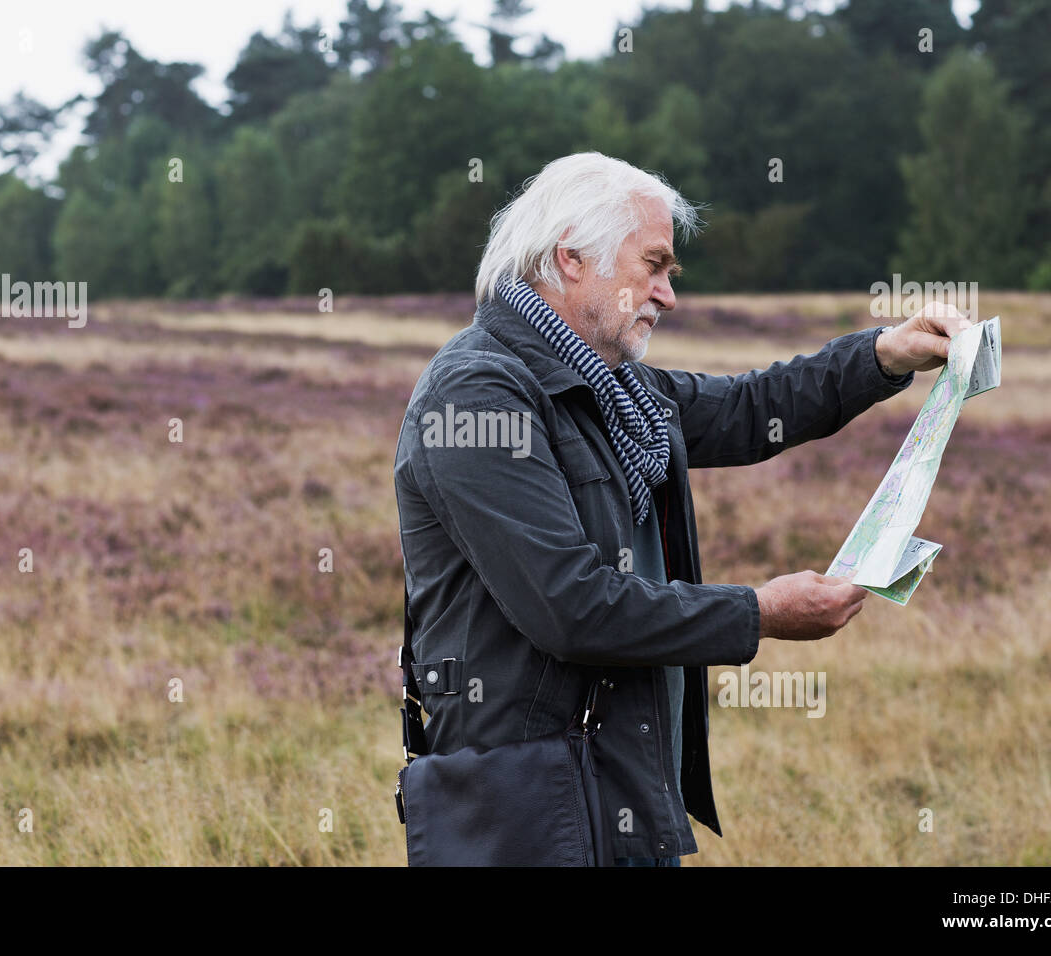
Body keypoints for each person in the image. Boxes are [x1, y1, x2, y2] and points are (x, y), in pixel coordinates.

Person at [392, 151, 972, 866]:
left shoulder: (614, 391)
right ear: (572, 258)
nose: (668, 294)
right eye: (654, 265)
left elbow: (750, 409)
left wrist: (885, 354)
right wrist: (758, 613)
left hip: (610, 793)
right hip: (525, 817)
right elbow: (571, 607)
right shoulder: (477, 397)